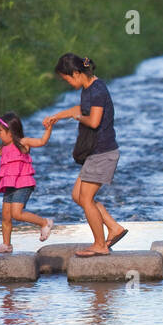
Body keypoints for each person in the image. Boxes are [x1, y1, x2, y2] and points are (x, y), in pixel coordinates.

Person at [44, 53, 126, 257]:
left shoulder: (97, 90)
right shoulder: (88, 88)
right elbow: (80, 109)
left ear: (77, 73)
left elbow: (94, 121)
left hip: (103, 152)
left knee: (86, 199)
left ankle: (100, 244)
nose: (68, 83)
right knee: (77, 196)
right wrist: (57, 116)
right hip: (95, 152)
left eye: (68, 79)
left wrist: (77, 117)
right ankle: (113, 227)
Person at [0, 111, 56, 253]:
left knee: (17, 214)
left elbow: (42, 141)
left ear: (11, 132)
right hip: (9, 185)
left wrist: (48, 129)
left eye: (0, 132)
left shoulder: (23, 143)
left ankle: (45, 222)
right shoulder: (3, 148)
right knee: (6, 217)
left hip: (23, 184)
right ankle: (7, 245)